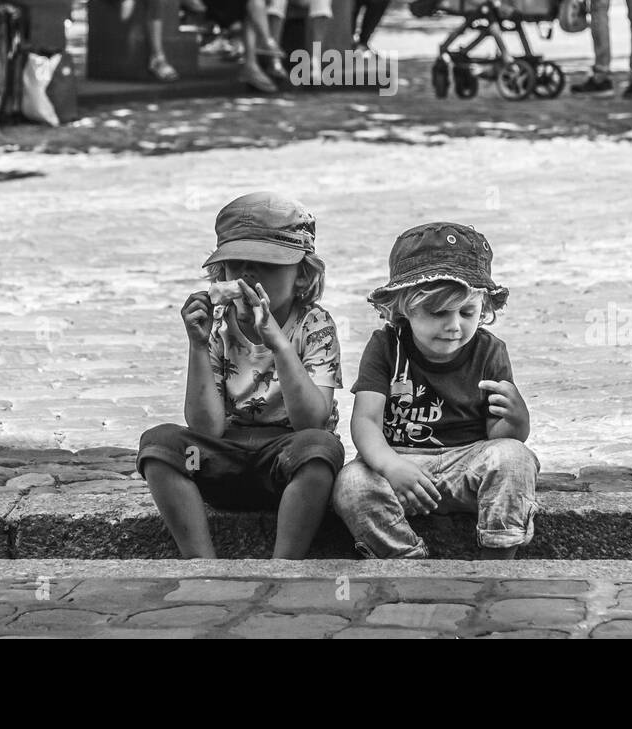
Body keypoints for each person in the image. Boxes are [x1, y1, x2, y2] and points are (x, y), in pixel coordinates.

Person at [136, 192, 344, 559]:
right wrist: (198, 346)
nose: (249, 275)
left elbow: (312, 419)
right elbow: (206, 428)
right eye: (238, 264)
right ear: (221, 273)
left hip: (286, 465)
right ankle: (202, 565)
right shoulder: (217, 324)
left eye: (267, 264)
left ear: (301, 276)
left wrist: (277, 343)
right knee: (159, 445)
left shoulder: (314, 324)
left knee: (320, 450)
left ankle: (283, 568)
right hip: (225, 462)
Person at [332, 221, 539, 560]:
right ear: (404, 308)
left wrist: (518, 420)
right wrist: (389, 466)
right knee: (352, 485)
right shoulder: (385, 346)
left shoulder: (490, 351)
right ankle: (406, 559)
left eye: (467, 312)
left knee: (515, 458)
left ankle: (497, 562)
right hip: (400, 464)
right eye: (438, 313)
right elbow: (365, 421)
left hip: (467, 464)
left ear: (482, 309)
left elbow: (500, 437)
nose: (454, 325)